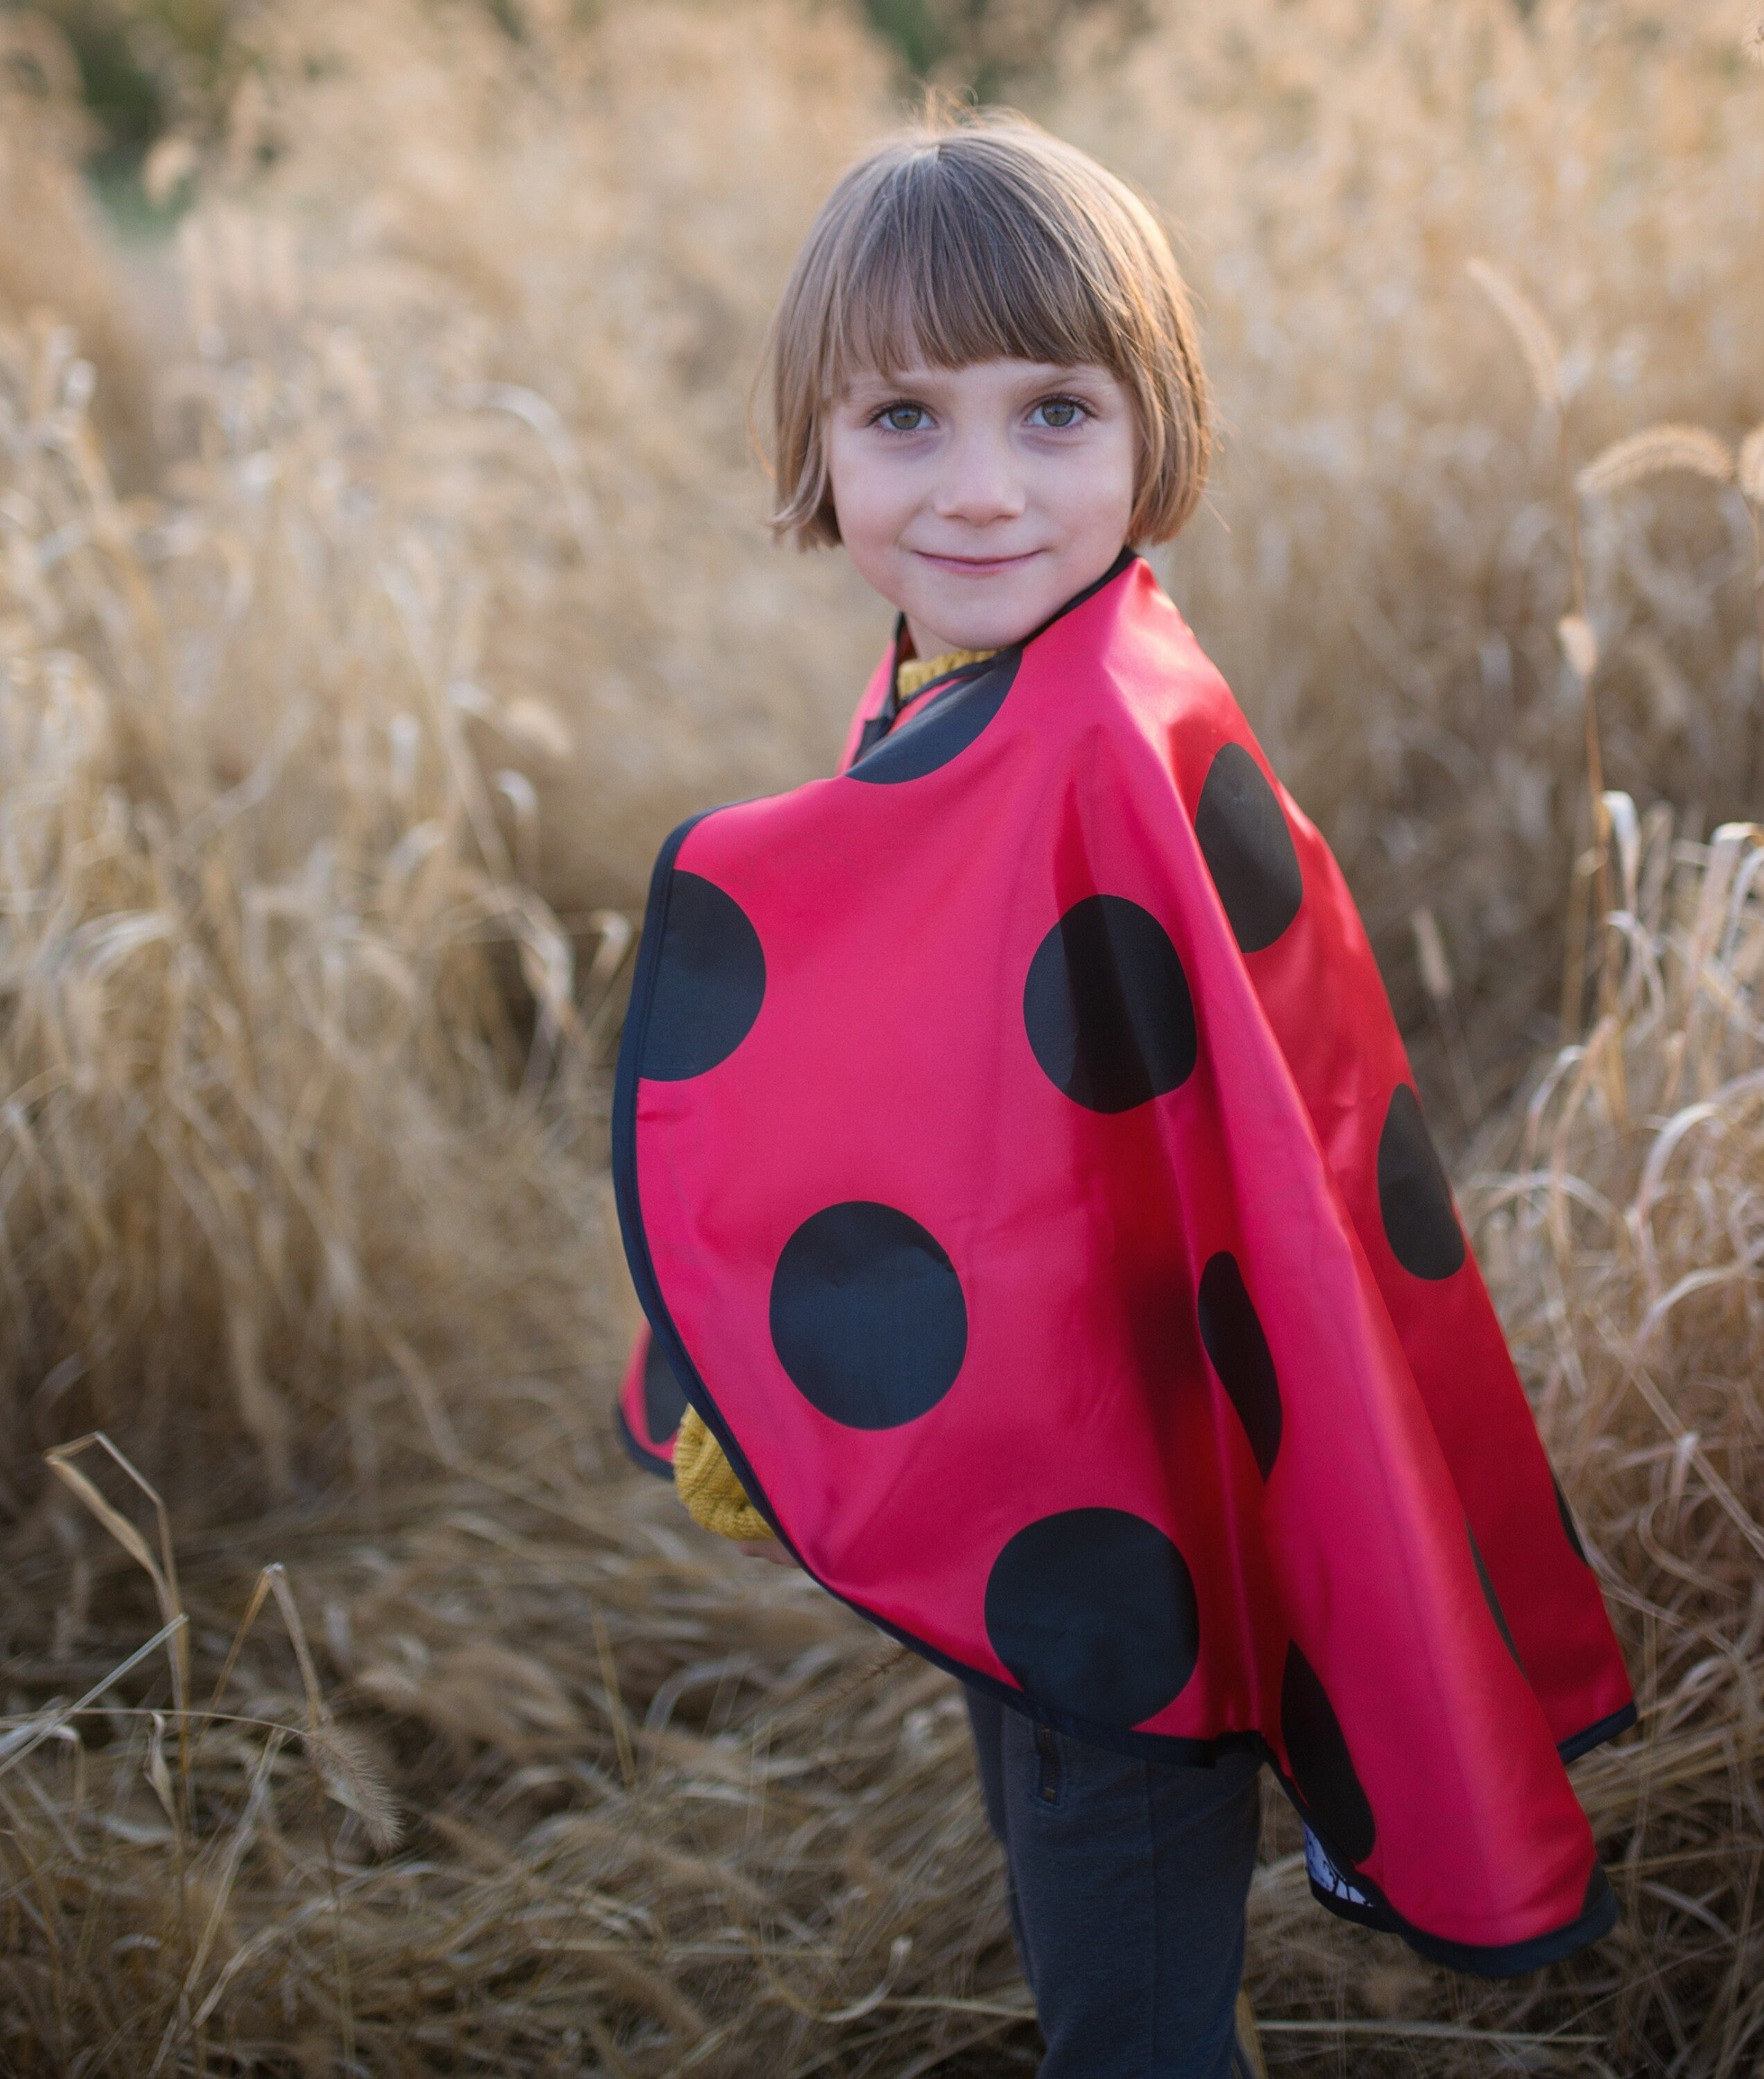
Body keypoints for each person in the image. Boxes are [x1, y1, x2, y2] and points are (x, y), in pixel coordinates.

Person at [612, 112, 1632, 2079]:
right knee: (1054, 1829)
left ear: (1155, 430)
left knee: (1125, 1980)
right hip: (1045, 1468)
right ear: (815, 447)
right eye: (903, 419)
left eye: (1056, 413)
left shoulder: (1100, 733)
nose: (982, 489)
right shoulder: (978, 676)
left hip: (1134, 1486)